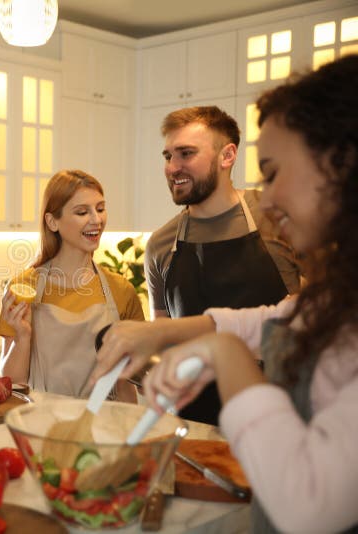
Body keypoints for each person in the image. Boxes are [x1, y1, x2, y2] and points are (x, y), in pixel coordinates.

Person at [93, 56, 358, 532]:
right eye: (167, 155)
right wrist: (161, 339)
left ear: (339, 166)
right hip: (199, 432)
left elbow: (309, 504)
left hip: (270, 431)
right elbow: (283, 316)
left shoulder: (268, 222)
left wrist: (221, 351)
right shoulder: (162, 243)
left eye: (274, 173)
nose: (269, 197)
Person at [143, 105, 302, 424]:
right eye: (167, 156)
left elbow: (316, 313)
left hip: (278, 417)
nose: (173, 167)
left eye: (186, 153)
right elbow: (164, 336)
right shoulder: (160, 245)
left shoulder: (275, 217)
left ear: (227, 156)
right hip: (193, 422)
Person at [0, 170, 143, 400]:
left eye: (101, 208)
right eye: (82, 212)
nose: (96, 220)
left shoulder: (121, 290)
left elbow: (126, 383)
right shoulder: (24, 287)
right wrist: (23, 336)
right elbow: (12, 384)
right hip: (41, 421)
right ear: (52, 221)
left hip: (102, 425)